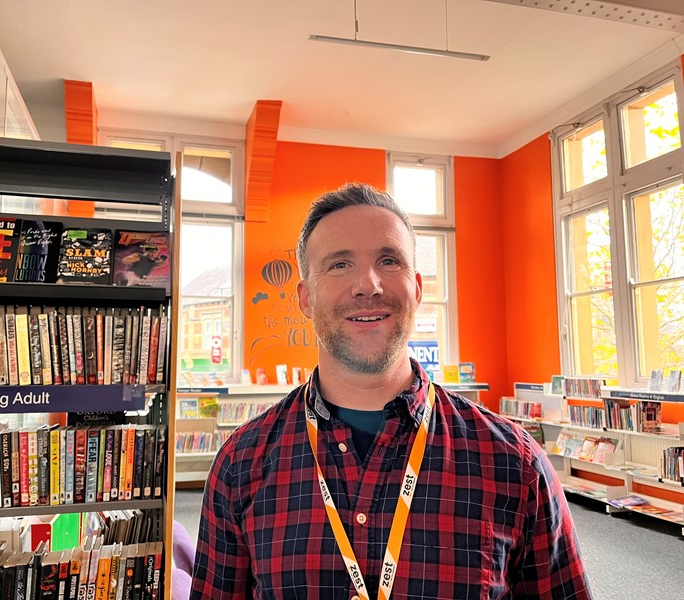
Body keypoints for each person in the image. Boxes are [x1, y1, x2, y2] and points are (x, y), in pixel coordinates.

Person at [190, 183, 592, 599]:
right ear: (306, 299)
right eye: (339, 264)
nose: (368, 285)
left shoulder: (515, 463)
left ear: (417, 289)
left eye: (388, 260)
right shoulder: (241, 465)